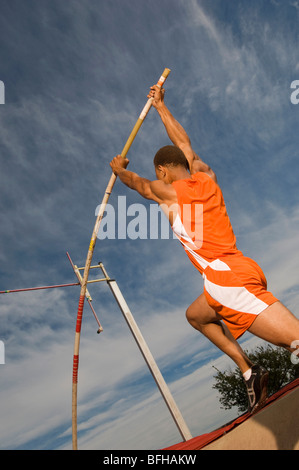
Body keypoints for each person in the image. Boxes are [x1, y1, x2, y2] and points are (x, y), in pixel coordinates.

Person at [110, 84, 299, 414]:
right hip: (241, 267)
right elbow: (185, 144)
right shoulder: (206, 175)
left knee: (296, 341)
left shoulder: (168, 192)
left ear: (162, 171)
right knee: (196, 316)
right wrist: (161, 106)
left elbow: (139, 185)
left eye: (158, 175)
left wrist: (119, 169)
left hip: (227, 279)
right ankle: (250, 371)